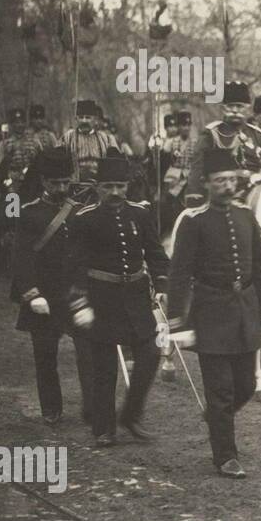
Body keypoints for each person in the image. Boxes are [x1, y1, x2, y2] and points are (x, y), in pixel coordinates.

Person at [167, 147, 261, 478]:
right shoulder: (194, 221)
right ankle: (226, 456)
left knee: (246, 385)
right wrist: (176, 319)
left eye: (232, 179)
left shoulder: (246, 215)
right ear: (206, 183)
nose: (227, 185)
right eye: (220, 180)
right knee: (219, 389)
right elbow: (179, 273)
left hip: (245, 312)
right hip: (211, 313)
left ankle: (218, 419)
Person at [67, 154, 170, 446]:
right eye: (108, 186)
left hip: (136, 298)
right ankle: (104, 427)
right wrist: (80, 303)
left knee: (150, 354)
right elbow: (74, 265)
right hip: (102, 299)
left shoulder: (141, 213)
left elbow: (155, 253)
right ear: (98, 187)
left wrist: (161, 283)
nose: (114, 192)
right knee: (104, 366)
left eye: (120, 186)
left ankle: (131, 415)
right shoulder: (84, 219)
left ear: (127, 186)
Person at [11, 148, 97, 426]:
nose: (61, 187)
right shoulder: (29, 213)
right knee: (45, 357)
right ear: (44, 181)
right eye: (54, 182)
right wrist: (31, 294)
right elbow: (22, 259)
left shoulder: (80, 211)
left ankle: (92, 407)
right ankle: (51, 408)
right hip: (44, 297)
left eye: (65, 182)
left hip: (74, 296)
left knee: (88, 353)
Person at [185, 82, 261, 206]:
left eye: (239, 106)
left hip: (256, 194)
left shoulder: (257, 134)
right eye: (230, 106)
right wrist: (195, 196)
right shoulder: (211, 134)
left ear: (247, 108)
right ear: (223, 108)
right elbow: (197, 169)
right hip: (221, 196)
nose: (235, 110)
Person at [62, 100, 119, 184]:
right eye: (81, 117)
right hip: (74, 187)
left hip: (99, 186)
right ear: (76, 119)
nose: (84, 121)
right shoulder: (68, 137)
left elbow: (116, 162)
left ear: (95, 119)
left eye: (88, 117)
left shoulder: (106, 138)